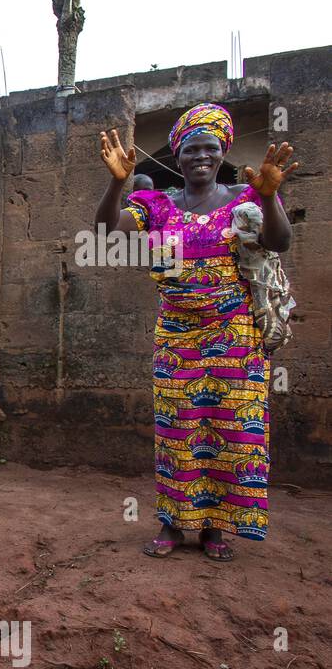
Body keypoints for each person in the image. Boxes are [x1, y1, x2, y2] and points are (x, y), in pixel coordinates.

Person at [96, 105, 297, 561]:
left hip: (237, 337)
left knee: (231, 432)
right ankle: (172, 523)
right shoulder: (158, 206)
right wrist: (116, 182)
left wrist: (268, 197)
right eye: (191, 149)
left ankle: (214, 530)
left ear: (222, 151)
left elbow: (279, 241)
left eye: (210, 148)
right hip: (177, 338)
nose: (200, 156)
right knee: (178, 429)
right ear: (177, 154)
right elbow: (107, 231)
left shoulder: (247, 198)